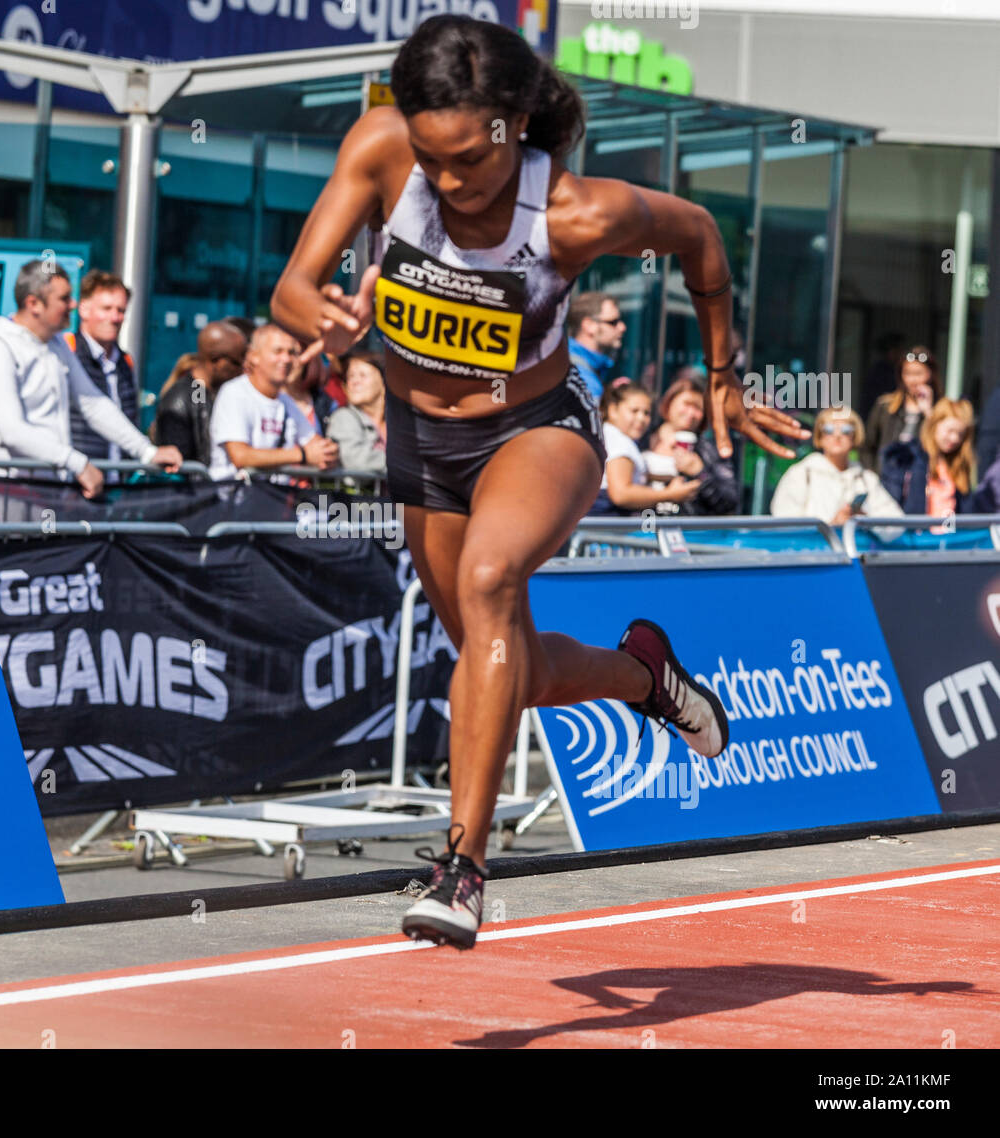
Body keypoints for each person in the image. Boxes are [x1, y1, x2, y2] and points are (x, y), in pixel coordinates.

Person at [268, 15, 805, 950]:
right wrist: (334, 321)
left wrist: (725, 372)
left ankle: (462, 870)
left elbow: (702, 237)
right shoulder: (382, 148)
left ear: (513, 125)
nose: (445, 181)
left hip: (535, 426)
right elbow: (293, 289)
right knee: (499, 661)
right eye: (429, 159)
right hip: (421, 440)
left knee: (488, 584)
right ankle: (643, 676)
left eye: (465, 161)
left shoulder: (577, 212)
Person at [0, 260, 181, 499]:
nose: (73, 304)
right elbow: (13, 431)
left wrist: (146, 451)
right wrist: (77, 463)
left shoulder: (56, 344)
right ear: (33, 304)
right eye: (64, 298)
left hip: (42, 491)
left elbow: (93, 404)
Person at [207, 322, 339, 479]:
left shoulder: (286, 402)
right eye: (278, 351)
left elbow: (315, 444)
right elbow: (240, 456)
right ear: (253, 356)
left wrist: (328, 452)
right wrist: (302, 455)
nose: (286, 359)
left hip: (275, 499)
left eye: (291, 352)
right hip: (234, 498)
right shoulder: (234, 393)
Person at [769, 406, 902, 527]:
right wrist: (832, 526)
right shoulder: (801, 474)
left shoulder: (867, 479)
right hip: (813, 553)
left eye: (846, 430)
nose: (837, 436)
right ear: (819, 437)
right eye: (828, 429)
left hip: (857, 552)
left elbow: (896, 524)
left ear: (855, 436)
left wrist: (866, 521)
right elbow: (784, 525)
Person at [64, 270, 143, 465]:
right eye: (106, 308)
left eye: (121, 310)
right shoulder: (68, 351)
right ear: (83, 309)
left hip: (119, 481)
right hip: (77, 480)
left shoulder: (125, 362)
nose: (114, 317)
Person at [592, 382, 700, 516]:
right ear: (613, 410)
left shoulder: (610, 435)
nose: (641, 418)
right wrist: (671, 494)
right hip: (605, 522)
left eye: (646, 413)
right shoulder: (620, 441)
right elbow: (620, 494)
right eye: (634, 411)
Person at [154, 321, 249, 463]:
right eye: (237, 362)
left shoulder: (217, 392)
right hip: (199, 484)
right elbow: (179, 463)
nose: (243, 369)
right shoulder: (185, 396)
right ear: (216, 360)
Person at [654, 373, 741, 515]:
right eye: (687, 404)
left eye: (698, 408)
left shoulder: (710, 451)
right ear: (669, 402)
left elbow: (729, 503)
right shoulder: (643, 440)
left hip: (689, 532)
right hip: (638, 529)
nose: (691, 413)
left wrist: (700, 473)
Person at [880, 397, 976, 517]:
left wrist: (950, 533)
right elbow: (890, 505)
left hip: (947, 533)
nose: (954, 438)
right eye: (950, 431)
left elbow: (954, 512)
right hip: (915, 533)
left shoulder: (957, 465)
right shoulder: (907, 457)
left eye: (960, 434)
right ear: (935, 425)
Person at [861, 345, 939, 473]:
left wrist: (928, 413)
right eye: (907, 373)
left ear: (930, 374)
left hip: (919, 480)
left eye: (918, 373)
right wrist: (872, 475)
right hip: (885, 479)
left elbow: (942, 447)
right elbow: (868, 447)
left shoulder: (939, 408)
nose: (913, 380)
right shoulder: (885, 406)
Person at [326, 351, 388, 474]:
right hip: (358, 492)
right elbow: (357, 461)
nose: (355, 382)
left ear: (383, 382)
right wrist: (406, 465)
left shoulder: (397, 421)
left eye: (363, 375)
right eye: (350, 376)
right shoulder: (343, 417)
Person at [566, 291, 624, 405]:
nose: (622, 327)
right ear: (589, 325)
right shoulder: (578, 374)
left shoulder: (587, 367)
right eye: (613, 322)